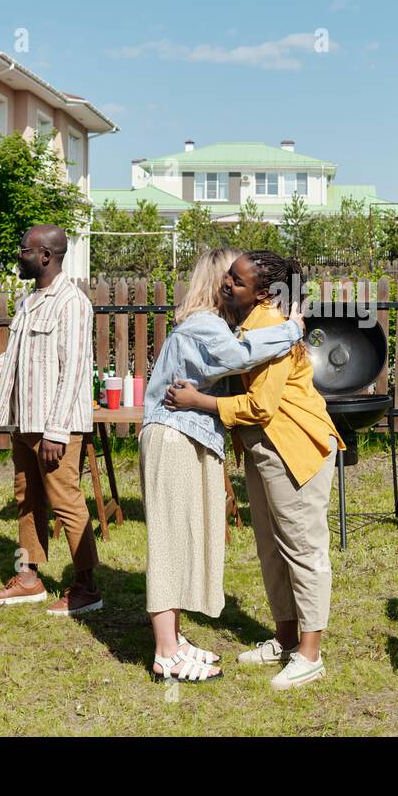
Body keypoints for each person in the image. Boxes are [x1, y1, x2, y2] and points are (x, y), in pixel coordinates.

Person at [166, 251, 341, 690]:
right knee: (270, 546)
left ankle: (310, 653)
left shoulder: (267, 323)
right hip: (265, 448)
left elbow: (261, 405)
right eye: (228, 275)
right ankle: (284, 638)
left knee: (302, 548)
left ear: (263, 291)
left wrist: (198, 402)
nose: (227, 284)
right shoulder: (252, 319)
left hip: (297, 447)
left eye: (238, 282)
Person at [140, 248, 305, 683]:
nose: (238, 287)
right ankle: (164, 653)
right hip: (174, 437)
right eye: (231, 276)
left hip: (187, 436)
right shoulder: (205, 325)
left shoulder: (204, 324)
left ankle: (174, 640)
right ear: (219, 280)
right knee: (170, 540)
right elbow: (240, 354)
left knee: (184, 536)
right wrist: (291, 329)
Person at [0, 225, 100, 615]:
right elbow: (10, 361)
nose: (19, 255)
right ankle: (29, 579)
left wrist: (56, 431)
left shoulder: (72, 303)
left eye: (24, 250)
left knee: (66, 502)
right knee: (27, 501)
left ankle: (87, 587)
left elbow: (74, 372)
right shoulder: (29, 301)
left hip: (55, 428)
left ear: (46, 256)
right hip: (24, 422)